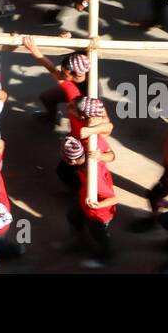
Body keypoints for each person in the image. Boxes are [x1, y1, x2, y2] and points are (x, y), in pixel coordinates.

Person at [61, 133, 118, 269]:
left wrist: (97, 205)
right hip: (83, 202)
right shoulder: (88, 155)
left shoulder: (95, 178)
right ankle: (79, 242)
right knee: (72, 216)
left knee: (99, 235)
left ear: (72, 162)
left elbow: (114, 198)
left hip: (98, 214)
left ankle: (104, 258)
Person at [22, 36, 90, 125]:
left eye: (64, 74)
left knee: (77, 119)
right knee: (46, 97)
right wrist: (68, 39)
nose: (61, 73)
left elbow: (53, 70)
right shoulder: (82, 62)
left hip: (81, 100)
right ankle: (51, 118)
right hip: (72, 90)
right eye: (61, 70)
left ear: (76, 77)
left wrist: (34, 50)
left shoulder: (91, 90)